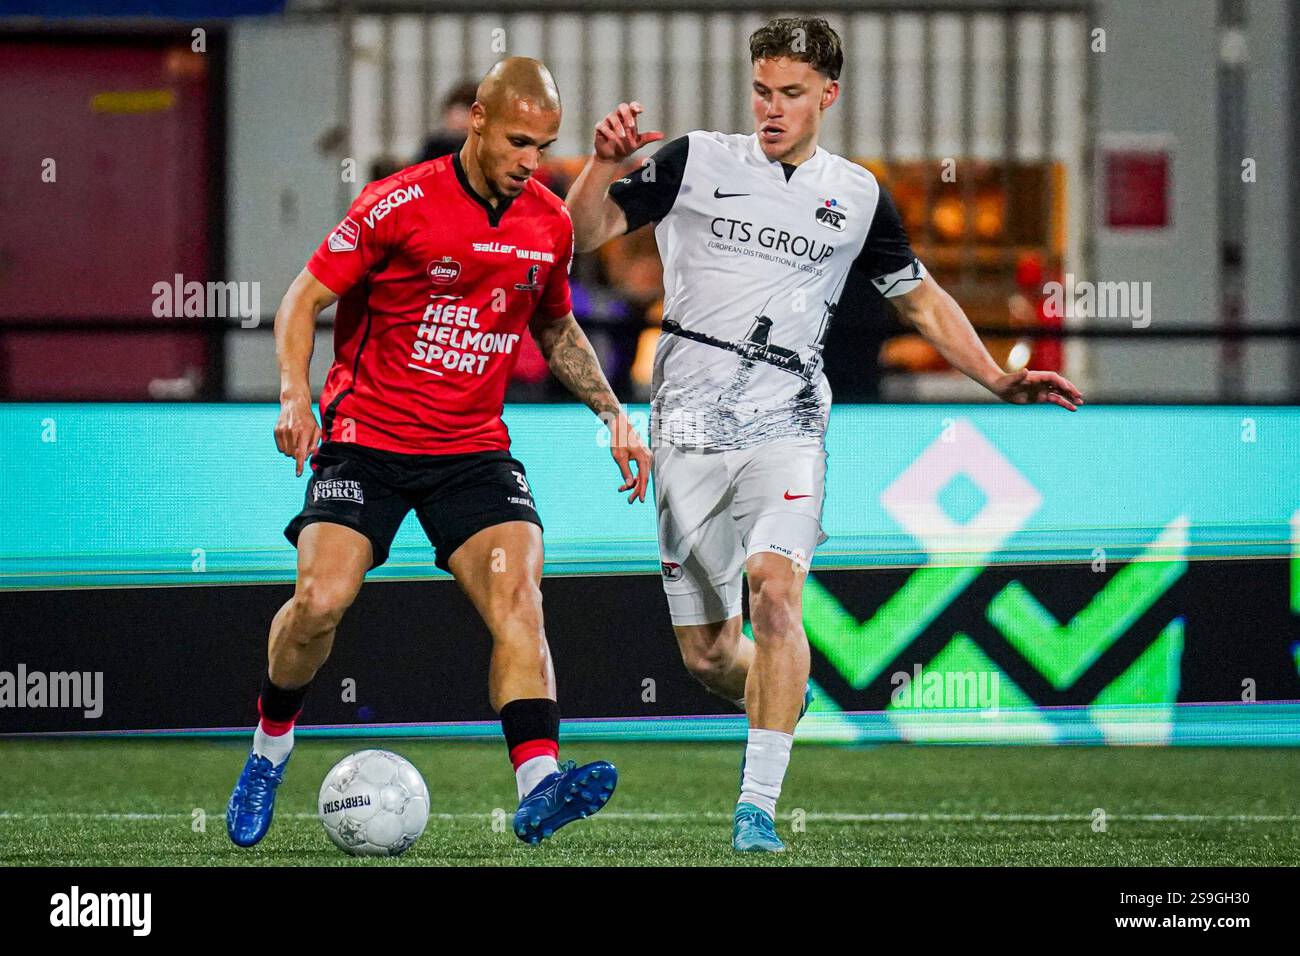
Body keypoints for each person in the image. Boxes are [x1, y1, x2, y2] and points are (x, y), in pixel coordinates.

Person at [565, 16, 1082, 853]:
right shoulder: (695, 160)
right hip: (690, 418)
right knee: (703, 656)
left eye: (792, 94)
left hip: (790, 412)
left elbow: (917, 295)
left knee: (776, 590)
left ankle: (757, 806)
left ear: (828, 96)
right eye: (763, 91)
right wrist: (600, 162)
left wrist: (995, 375)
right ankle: (781, 690)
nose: (772, 108)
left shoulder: (859, 196)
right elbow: (577, 235)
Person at [226, 56, 650, 849]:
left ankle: (539, 785)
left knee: (520, 598)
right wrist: (292, 393)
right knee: (319, 603)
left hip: (472, 451)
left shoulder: (548, 222)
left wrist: (613, 412)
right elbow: (302, 298)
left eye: (547, 144)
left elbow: (553, 326)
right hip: (365, 442)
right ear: (479, 121)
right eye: (521, 142)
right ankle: (267, 754)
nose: (534, 161)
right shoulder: (398, 202)